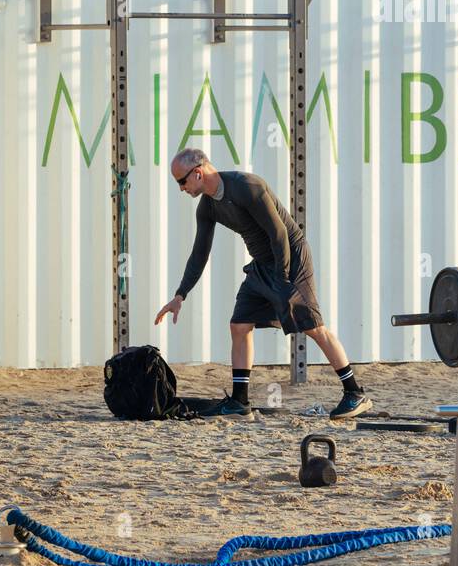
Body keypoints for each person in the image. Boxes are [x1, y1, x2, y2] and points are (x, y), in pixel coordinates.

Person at [155, 150, 372, 421]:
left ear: (197, 173)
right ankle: (239, 401)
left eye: (181, 182)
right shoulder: (208, 207)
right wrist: (180, 295)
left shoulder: (247, 186)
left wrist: (281, 281)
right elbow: (199, 253)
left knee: (313, 327)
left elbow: (279, 234)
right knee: (239, 324)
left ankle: (354, 392)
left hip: (290, 257)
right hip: (261, 262)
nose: (181, 189)